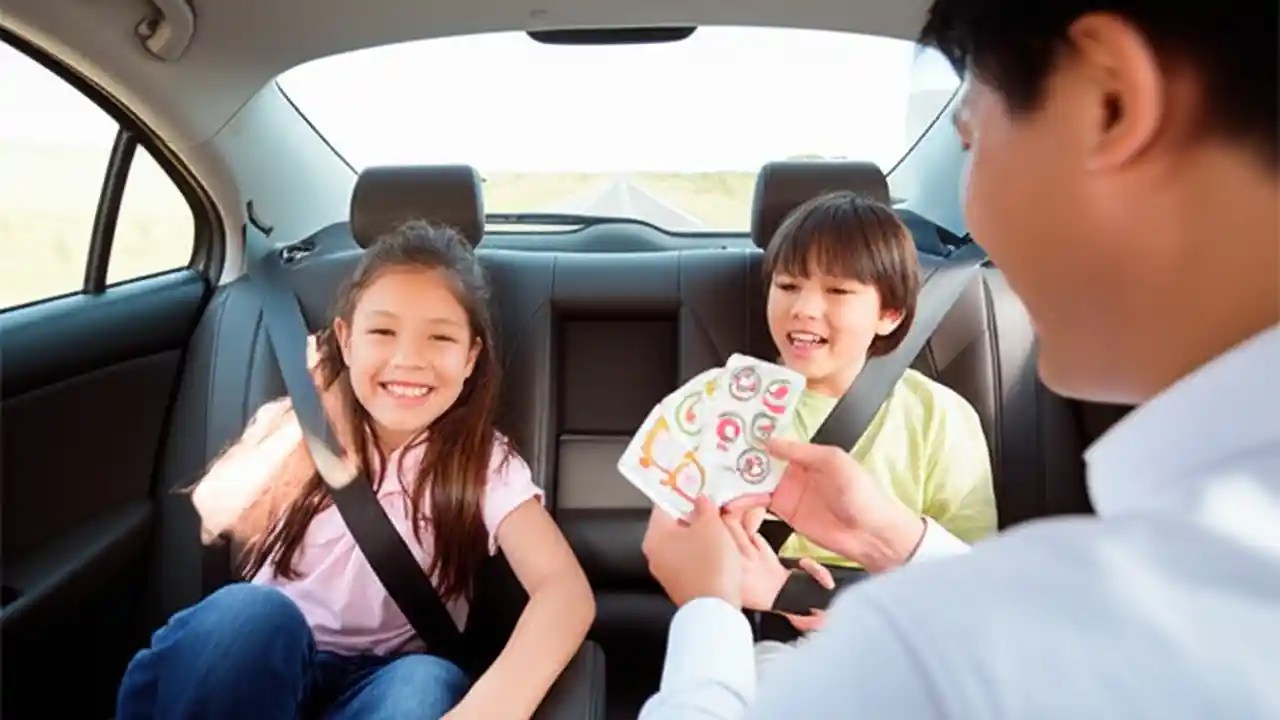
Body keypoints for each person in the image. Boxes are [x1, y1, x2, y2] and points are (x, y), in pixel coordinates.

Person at [639, 0, 1279, 716]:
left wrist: (709, 609)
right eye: (787, 285)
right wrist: (896, 541)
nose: (970, 215)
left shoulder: (937, 653)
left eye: (969, 140)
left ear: (1110, 102)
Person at [116, 221, 595, 719]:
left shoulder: (481, 462)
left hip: (381, 683)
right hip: (259, 669)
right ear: (343, 341)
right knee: (251, 615)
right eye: (383, 332)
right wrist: (318, 413)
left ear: (472, 356)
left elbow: (564, 591)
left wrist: (493, 707)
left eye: (441, 338)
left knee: (425, 682)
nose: (410, 359)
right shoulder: (294, 426)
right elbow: (215, 510)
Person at [739, 191, 996, 671]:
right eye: (789, 285)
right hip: (763, 635)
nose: (804, 308)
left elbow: (974, 568)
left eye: (837, 291)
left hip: (903, 636)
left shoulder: (938, 416)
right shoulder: (735, 403)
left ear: (889, 314)